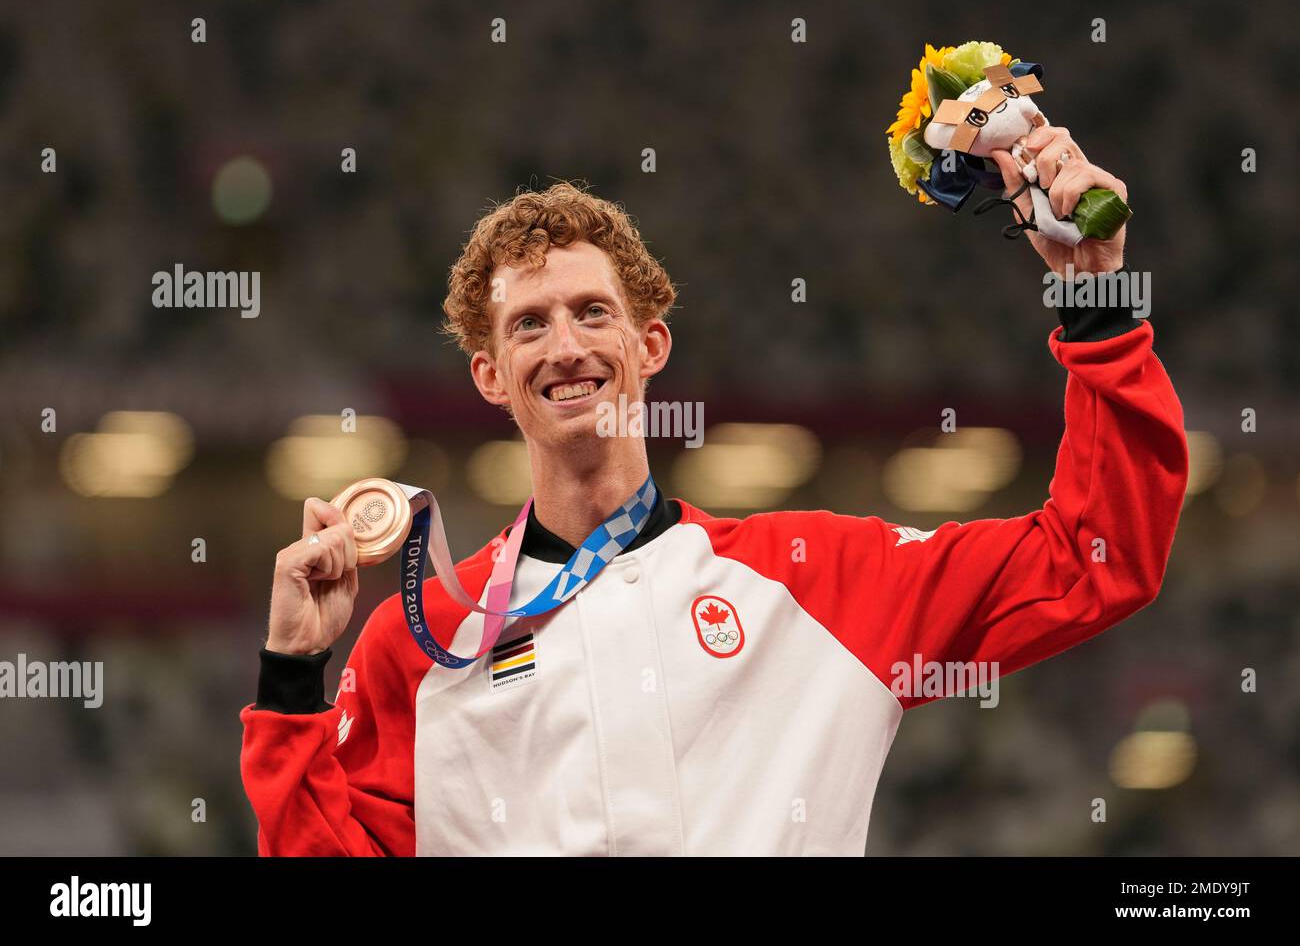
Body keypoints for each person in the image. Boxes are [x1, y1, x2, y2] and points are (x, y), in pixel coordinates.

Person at [240, 135, 1189, 855]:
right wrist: (291, 678)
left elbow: (1096, 558)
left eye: (592, 313)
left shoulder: (819, 580)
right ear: (491, 376)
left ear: (649, 348)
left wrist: (1098, 307)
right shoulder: (423, 631)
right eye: (529, 324)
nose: (565, 346)